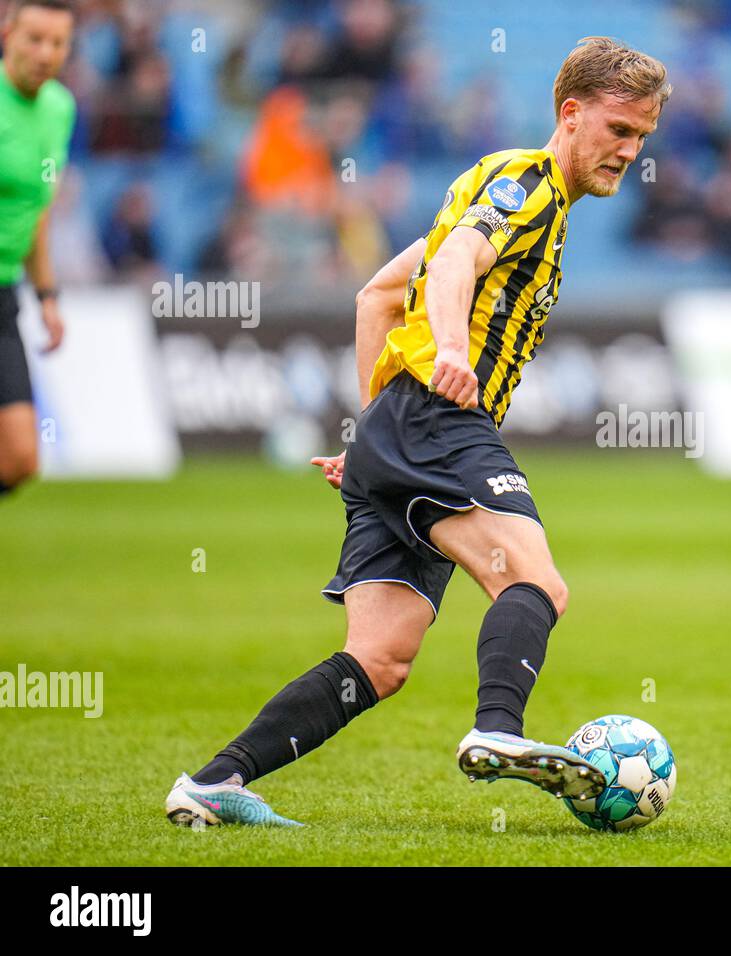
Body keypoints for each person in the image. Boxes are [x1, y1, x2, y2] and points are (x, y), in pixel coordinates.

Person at [166, 37, 670, 827]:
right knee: (535, 581)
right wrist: (455, 355)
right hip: (440, 417)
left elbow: (377, 294)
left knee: (380, 658)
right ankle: (498, 733)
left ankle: (213, 783)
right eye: (618, 130)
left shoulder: (502, 189)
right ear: (570, 115)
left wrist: (370, 435)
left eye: (642, 138)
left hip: (396, 429)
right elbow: (458, 263)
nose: (630, 152)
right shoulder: (527, 187)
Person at [0, 0, 76, 496]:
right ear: (7, 33)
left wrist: (47, 294)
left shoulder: (59, 108)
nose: (45, 53)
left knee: (21, 458)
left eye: (58, 43)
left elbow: (39, 211)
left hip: (5, 291)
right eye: (34, 39)